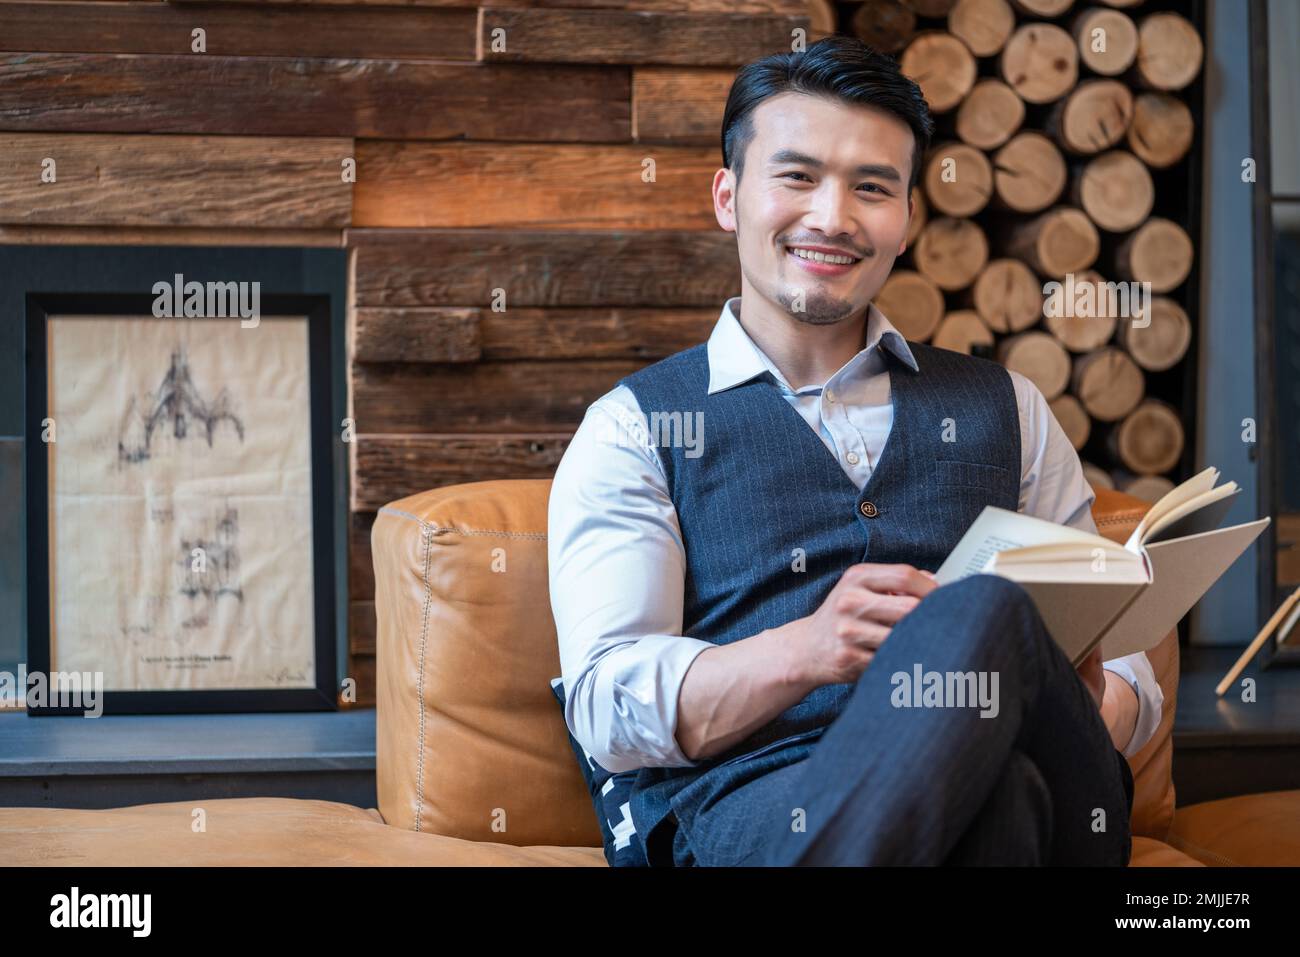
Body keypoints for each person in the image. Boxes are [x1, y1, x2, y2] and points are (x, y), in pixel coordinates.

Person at [548, 36, 1163, 867]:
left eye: (872, 188)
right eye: (797, 177)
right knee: (1002, 803)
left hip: (1053, 785)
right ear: (729, 197)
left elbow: (1131, 675)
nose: (833, 218)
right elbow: (608, 705)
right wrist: (805, 649)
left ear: (907, 219)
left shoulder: (1008, 407)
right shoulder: (633, 426)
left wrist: (1081, 699)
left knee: (1000, 645)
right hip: (761, 810)